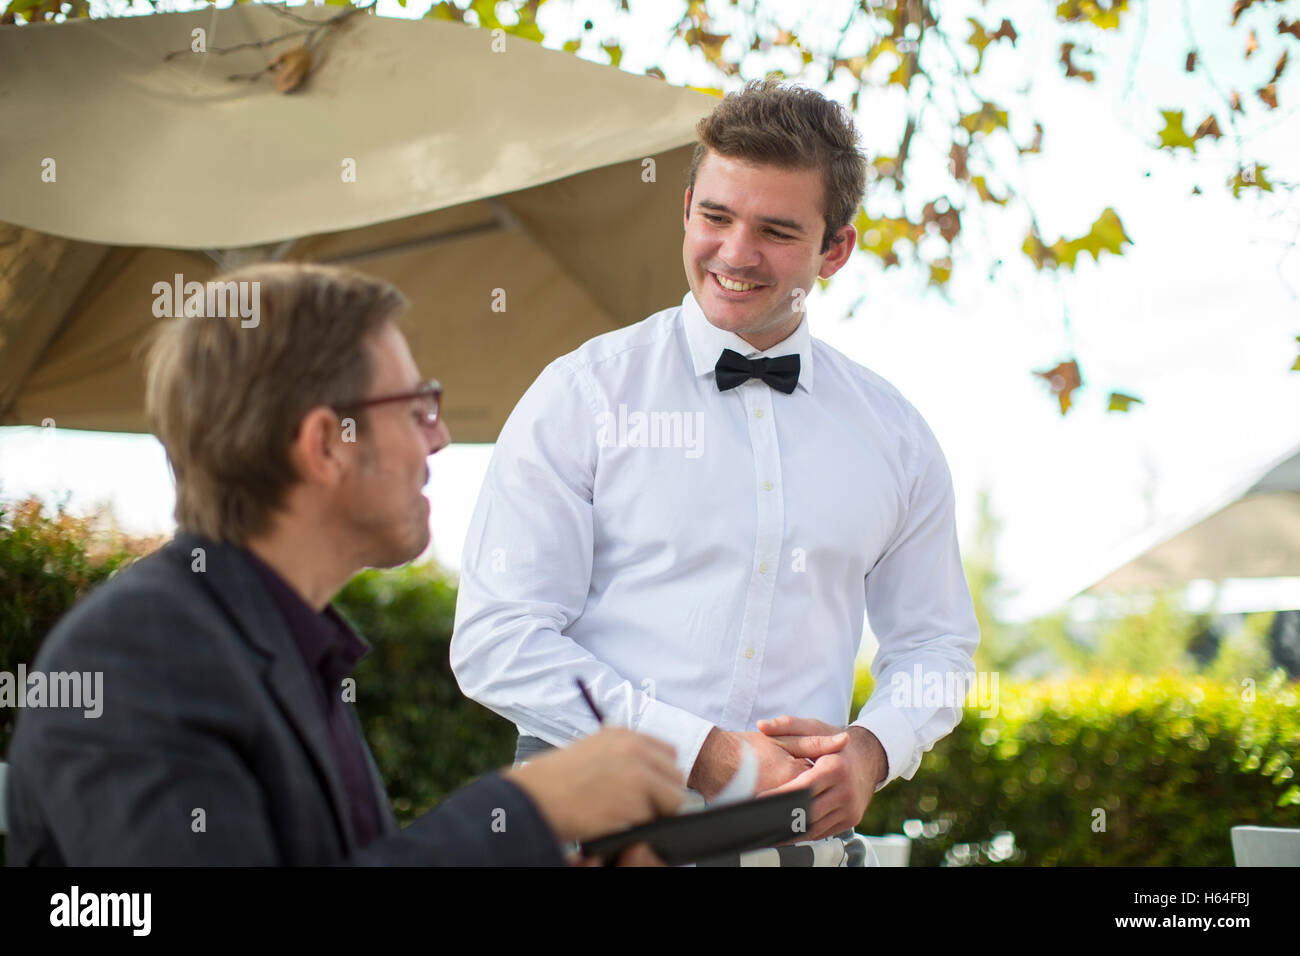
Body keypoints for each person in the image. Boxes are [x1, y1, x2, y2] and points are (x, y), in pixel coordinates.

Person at [450, 79, 981, 866]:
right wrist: (708, 753)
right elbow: (498, 639)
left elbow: (937, 645)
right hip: (590, 838)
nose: (735, 253)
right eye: (716, 217)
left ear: (836, 248)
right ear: (687, 206)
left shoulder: (895, 435)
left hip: (796, 849)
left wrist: (874, 749)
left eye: (775, 230)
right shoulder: (582, 394)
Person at [4, 262, 682, 866]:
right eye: (416, 408)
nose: (439, 438)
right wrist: (522, 814)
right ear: (327, 443)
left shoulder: (282, 642)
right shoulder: (137, 656)